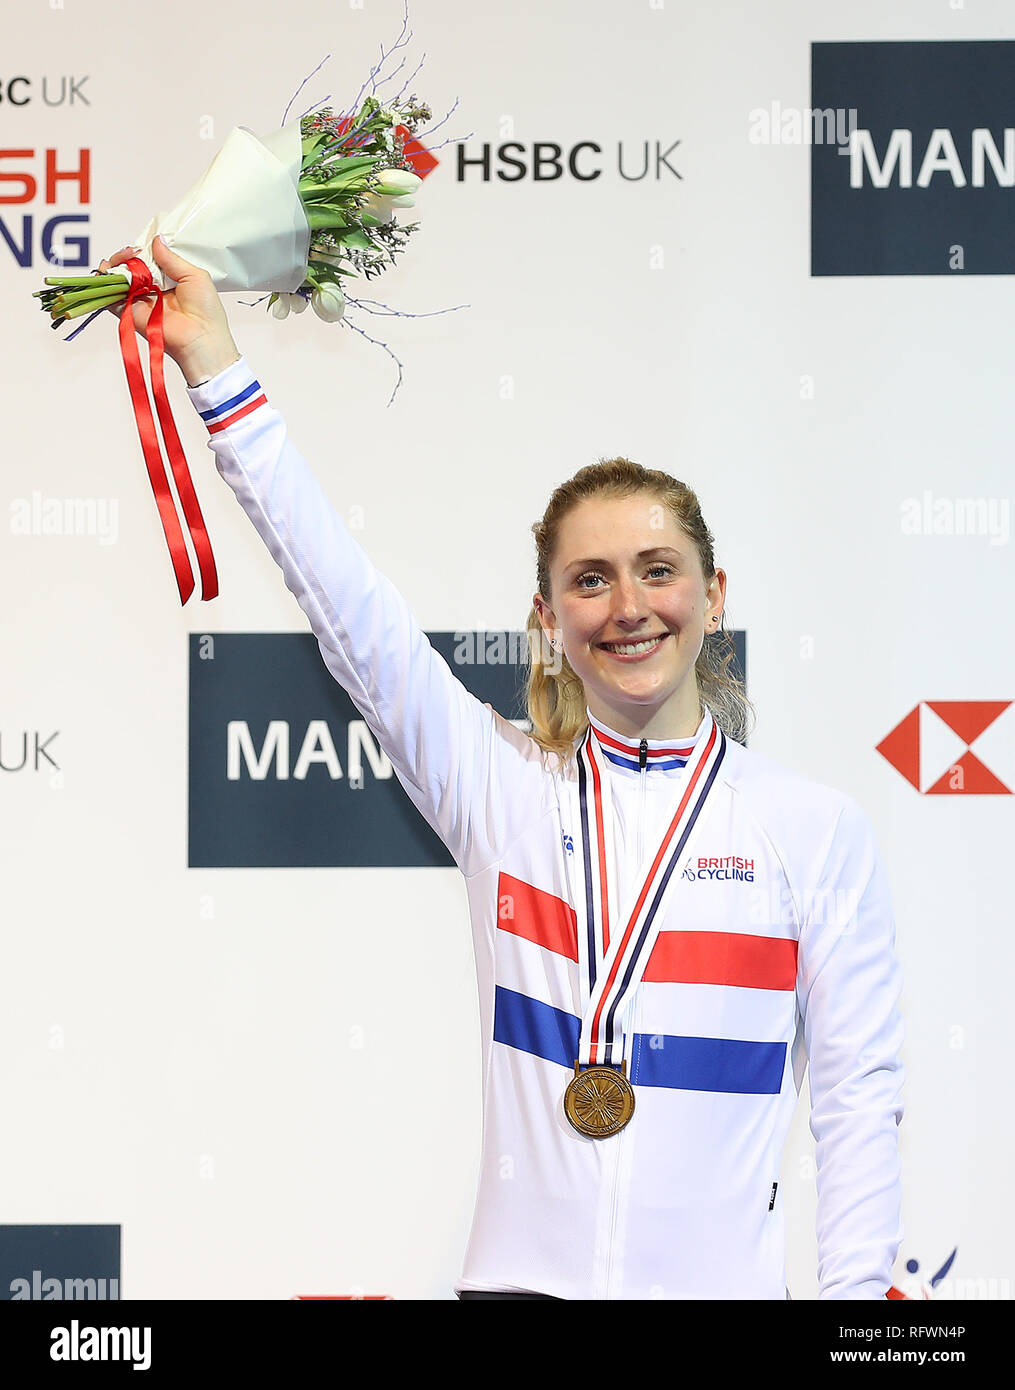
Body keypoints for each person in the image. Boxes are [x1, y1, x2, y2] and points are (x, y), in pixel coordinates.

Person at [99, 237, 906, 1300]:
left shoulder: (814, 829)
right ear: (547, 617)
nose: (627, 606)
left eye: (658, 571)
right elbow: (348, 607)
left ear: (713, 599)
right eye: (589, 579)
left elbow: (857, 1097)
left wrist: (857, 1318)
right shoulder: (499, 785)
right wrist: (217, 371)